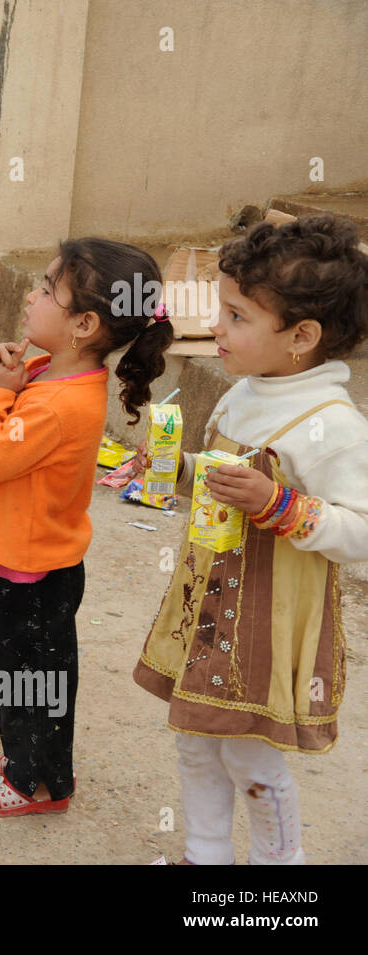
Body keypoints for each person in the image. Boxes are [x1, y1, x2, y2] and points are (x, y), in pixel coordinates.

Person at [131, 215, 368, 864]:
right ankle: (206, 857)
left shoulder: (332, 425)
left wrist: (284, 506)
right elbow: (217, 488)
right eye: (219, 310)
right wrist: (171, 470)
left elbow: (361, 532)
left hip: (268, 621)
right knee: (195, 736)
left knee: (248, 755)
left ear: (302, 336)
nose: (216, 329)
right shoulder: (245, 395)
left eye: (236, 316)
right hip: (209, 607)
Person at [0, 238, 173, 816]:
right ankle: (35, 765)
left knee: (28, 679)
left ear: (83, 324)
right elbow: (18, 409)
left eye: (46, 288)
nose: (30, 295)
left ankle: (33, 783)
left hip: (31, 569)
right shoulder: (61, 380)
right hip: (29, 561)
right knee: (27, 671)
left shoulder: (58, 405)